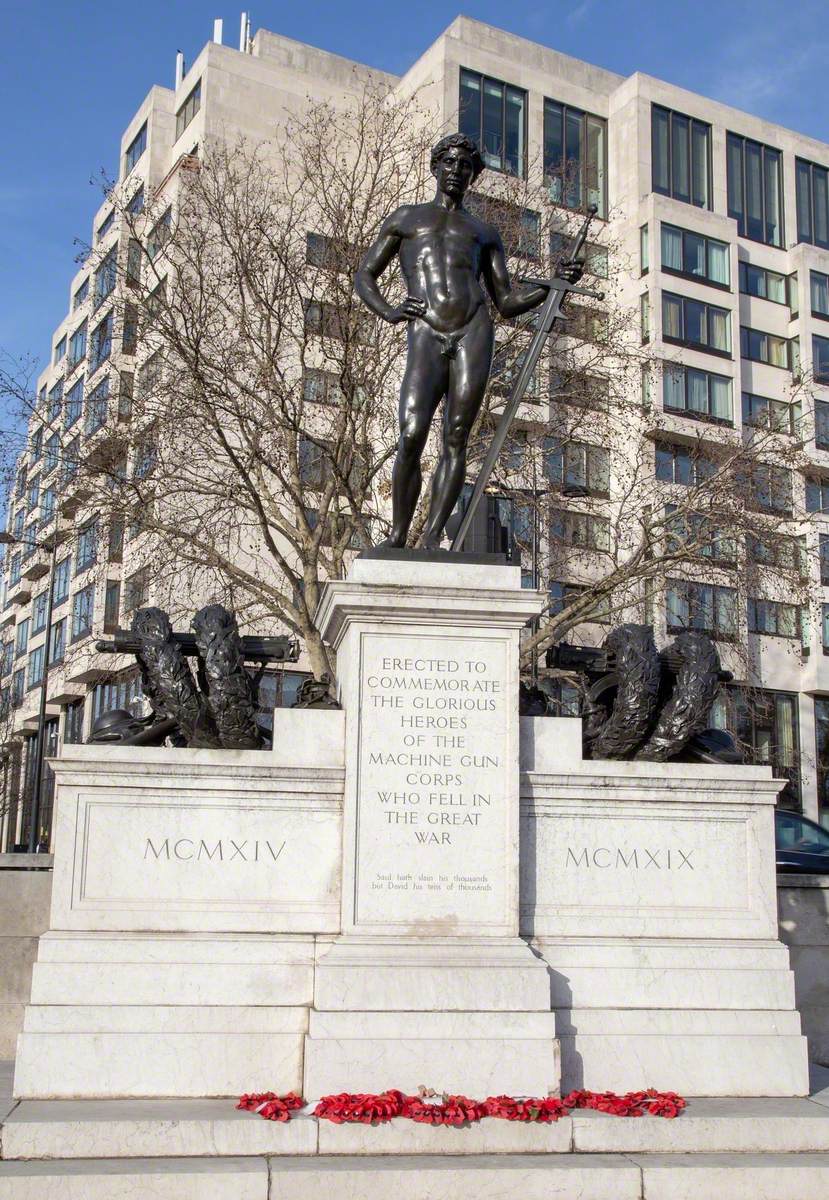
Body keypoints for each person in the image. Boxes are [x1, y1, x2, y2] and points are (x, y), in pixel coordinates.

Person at [354, 132, 583, 549]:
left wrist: (554, 284)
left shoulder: (483, 231)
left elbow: (508, 301)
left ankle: (432, 538)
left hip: (473, 331)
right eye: (450, 163)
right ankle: (399, 532)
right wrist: (387, 310)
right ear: (435, 167)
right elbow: (364, 274)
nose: (457, 171)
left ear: (474, 175)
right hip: (425, 328)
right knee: (410, 433)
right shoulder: (406, 218)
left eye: (465, 165)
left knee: (456, 437)